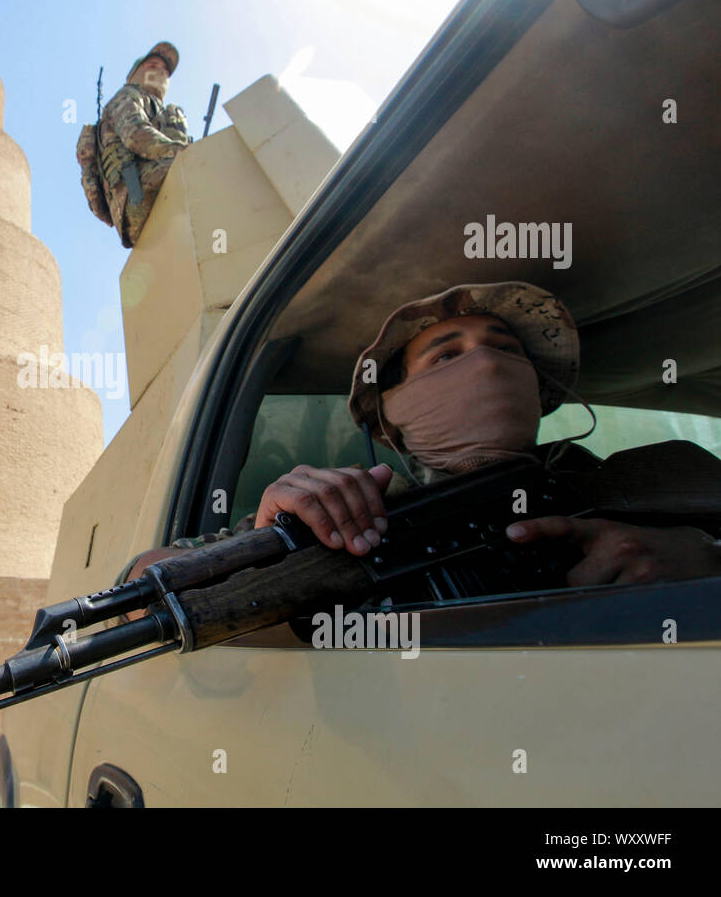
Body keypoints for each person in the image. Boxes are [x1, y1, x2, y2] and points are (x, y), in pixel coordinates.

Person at [127, 281, 721, 588]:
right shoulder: (357, 516)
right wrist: (267, 541)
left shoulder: (653, 480)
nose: (485, 365)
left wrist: (705, 557)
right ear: (393, 420)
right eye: (446, 356)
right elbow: (138, 583)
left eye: (505, 350)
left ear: (540, 398)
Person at [97, 41, 191, 247]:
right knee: (207, 167)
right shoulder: (127, 96)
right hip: (135, 195)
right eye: (152, 65)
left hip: (142, 198)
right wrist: (188, 153)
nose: (161, 71)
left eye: (165, 69)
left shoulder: (159, 109)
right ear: (135, 73)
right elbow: (137, 136)